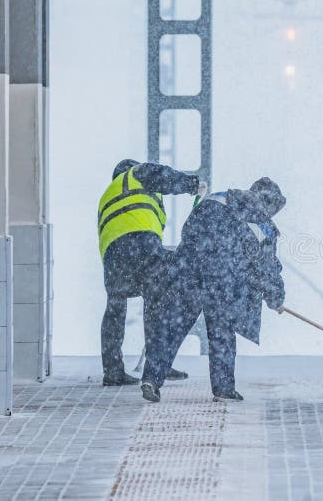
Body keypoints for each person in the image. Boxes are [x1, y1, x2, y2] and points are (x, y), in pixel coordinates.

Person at [140, 177, 286, 402]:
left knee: (172, 326)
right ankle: (223, 389)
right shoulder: (262, 224)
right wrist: (275, 297)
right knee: (222, 333)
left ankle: (151, 378)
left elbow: (189, 227)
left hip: (188, 268)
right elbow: (265, 267)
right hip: (223, 281)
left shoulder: (218, 198)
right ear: (270, 204)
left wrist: (195, 255)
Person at [97, 159, 207, 386]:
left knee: (115, 311)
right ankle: (158, 365)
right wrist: (191, 184)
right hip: (142, 245)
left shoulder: (107, 195)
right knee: (157, 299)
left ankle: (113, 372)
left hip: (113, 257)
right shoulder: (135, 174)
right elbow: (162, 176)